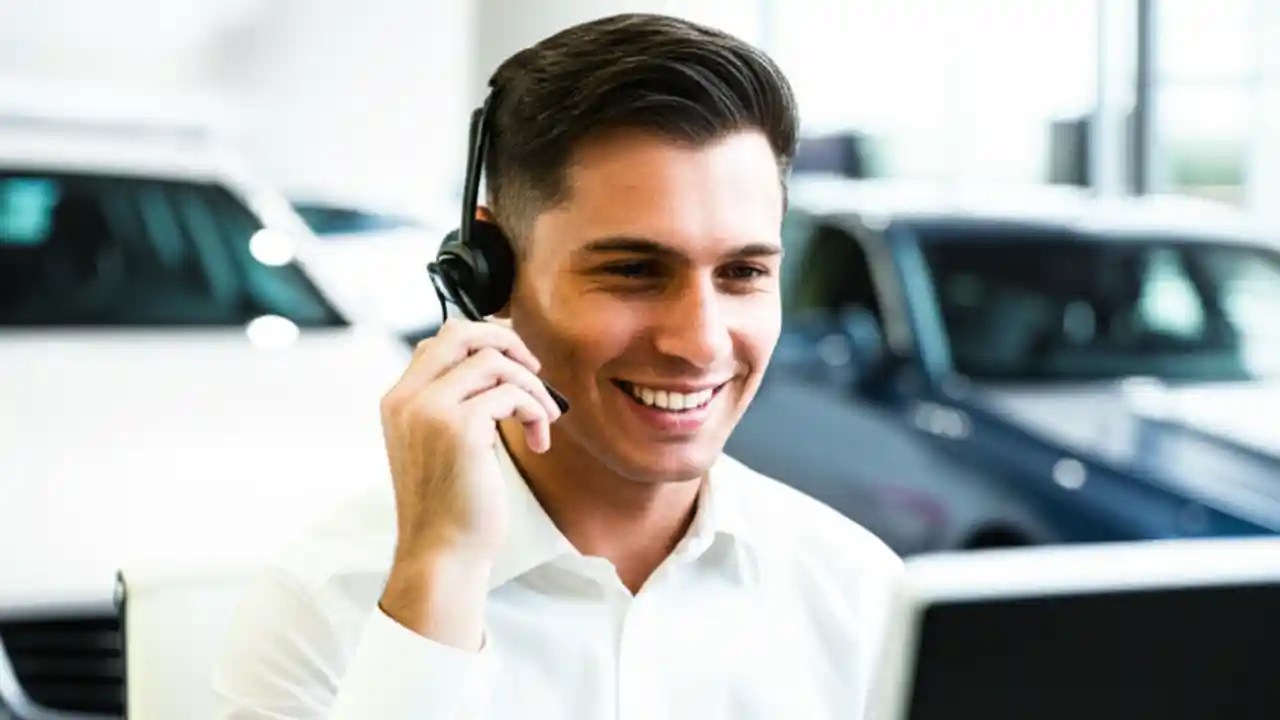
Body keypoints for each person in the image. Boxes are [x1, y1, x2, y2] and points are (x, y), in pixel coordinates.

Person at [213, 13, 902, 719]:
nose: (700, 343)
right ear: (490, 273)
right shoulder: (323, 609)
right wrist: (440, 575)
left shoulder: (859, 595)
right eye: (633, 271)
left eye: (743, 273)